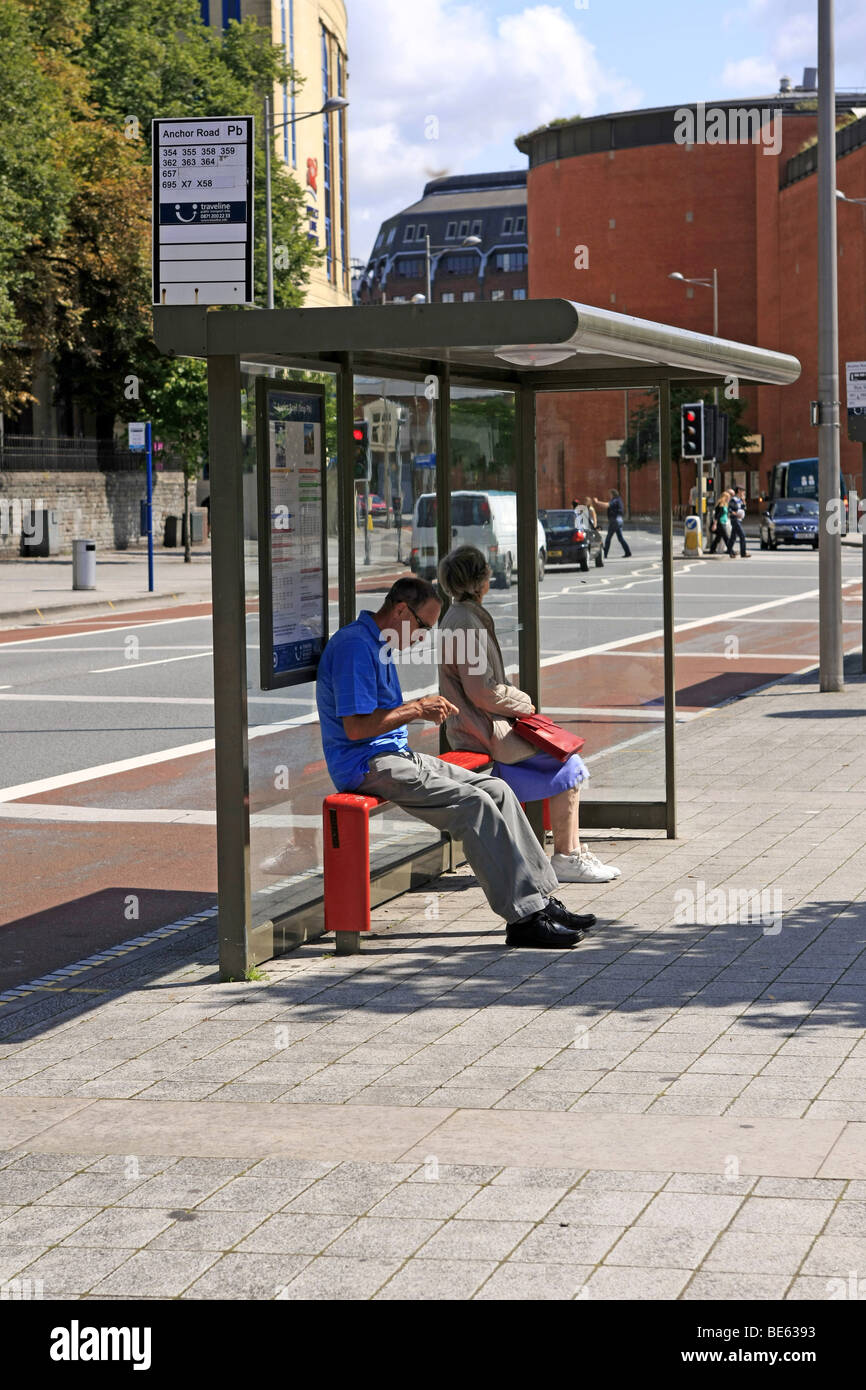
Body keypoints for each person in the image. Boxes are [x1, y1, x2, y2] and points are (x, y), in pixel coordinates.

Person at [315, 576, 595, 950]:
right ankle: (524, 919)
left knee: (496, 790)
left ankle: (542, 900)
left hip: (395, 755)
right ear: (400, 611)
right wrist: (417, 708)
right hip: (367, 763)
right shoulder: (354, 647)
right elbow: (355, 728)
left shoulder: (373, 642)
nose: (423, 636)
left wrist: (413, 712)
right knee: (474, 806)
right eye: (423, 626)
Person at [437, 546, 620, 885]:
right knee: (569, 763)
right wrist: (523, 702)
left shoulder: (461, 616)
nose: (490, 578)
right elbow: (482, 691)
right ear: (479, 580)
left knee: (566, 759)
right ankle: (567, 857)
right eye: (487, 573)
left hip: (481, 726)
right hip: (483, 731)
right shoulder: (464, 622)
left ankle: (570, 853)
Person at [594, 489, 632, 558]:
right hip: (619, 520)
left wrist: (597, 502)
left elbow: (607, 505)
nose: (609, 496)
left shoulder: (615, 500)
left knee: (608, 538)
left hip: (615, 521)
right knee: (620, 538)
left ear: (613, 494)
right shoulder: (618, 500)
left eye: (610, 494)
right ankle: (628, 552)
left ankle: (605, 554)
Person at [708, 489, 736, 557]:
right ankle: (731, 552)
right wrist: (714, 524)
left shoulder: (725, 505)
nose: (729, 499)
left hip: (723, 522)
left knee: (718, 538)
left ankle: (712, 549)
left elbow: (727, 512)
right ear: (725, 498)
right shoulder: (721, 506)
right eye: (728, 498)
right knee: (726, 538)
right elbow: (717, 515)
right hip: (719, 523)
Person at [728, 486, 749, 557]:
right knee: (742, 535)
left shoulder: (740, 500)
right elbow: (730, 509)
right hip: (735, 520)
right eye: (743, 491)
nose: (744, 493)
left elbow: (744, 508)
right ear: (739, 491)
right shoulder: (734, 500)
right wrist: (736, 514)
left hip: (739, 520)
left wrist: (744, 501)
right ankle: (743, 553)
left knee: (733, 537)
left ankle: (730, 552)